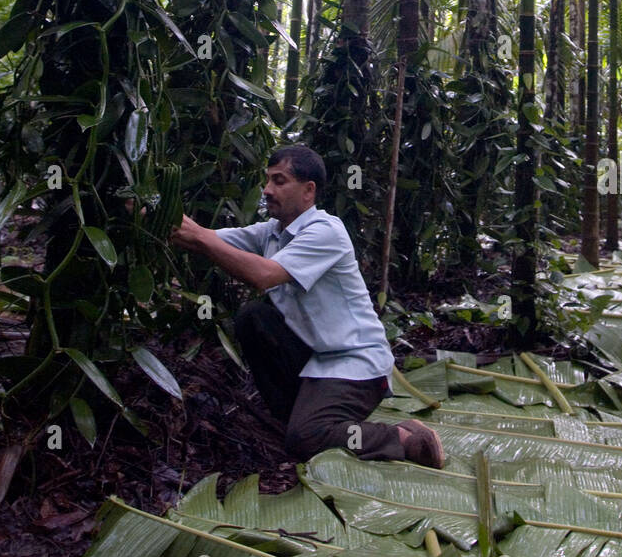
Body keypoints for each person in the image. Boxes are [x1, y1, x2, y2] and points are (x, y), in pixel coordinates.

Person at [170, 144, 444, 469]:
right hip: (317, 358)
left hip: (356, 365)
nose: (267, 190)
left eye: (279, 181)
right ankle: (298, 419)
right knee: (254, 318)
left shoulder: (326, 232)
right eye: (267, 180)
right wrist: (155, 214)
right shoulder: (271, 234)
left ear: (308, 190)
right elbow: (204, 237)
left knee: (305, 439)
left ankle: (399, 437)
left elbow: (263, 275)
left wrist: (199, 238)